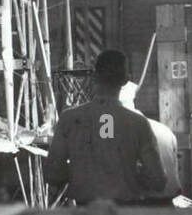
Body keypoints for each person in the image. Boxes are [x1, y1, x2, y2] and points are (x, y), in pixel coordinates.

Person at [46, 50, 167, 205]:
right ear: (126, 80)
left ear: (95, 77)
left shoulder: (69, 119)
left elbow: (53, 174)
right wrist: (129, 175)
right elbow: (158, 180)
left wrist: (80, 171)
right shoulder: (138, 123)